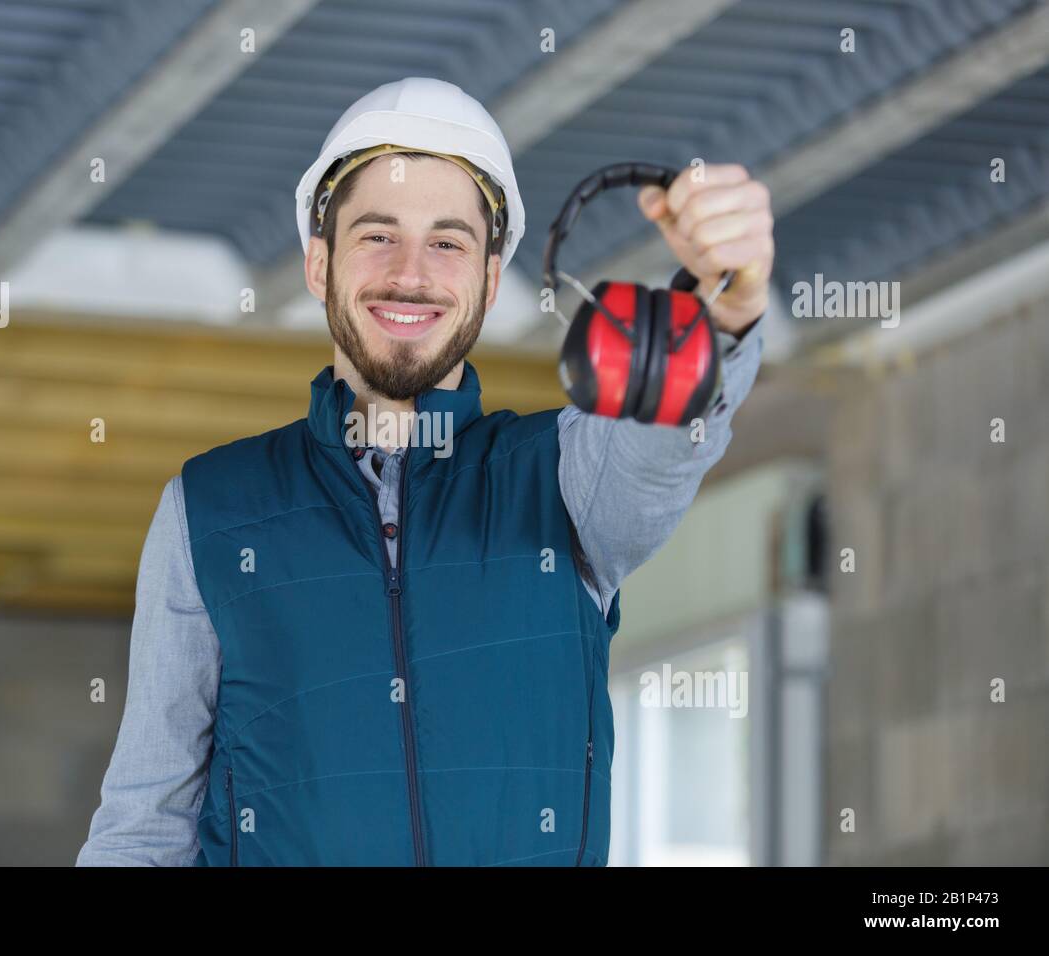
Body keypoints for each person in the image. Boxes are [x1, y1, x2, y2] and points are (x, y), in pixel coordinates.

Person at [77, 77, 771, 866]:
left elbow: (660, 438)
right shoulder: (209, 509)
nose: (411, 272)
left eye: (448, 242)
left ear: (486, 277)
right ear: (318, 263)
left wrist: (728, 307)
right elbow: (145, 825)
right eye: (378, 235)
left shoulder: (565, 479)